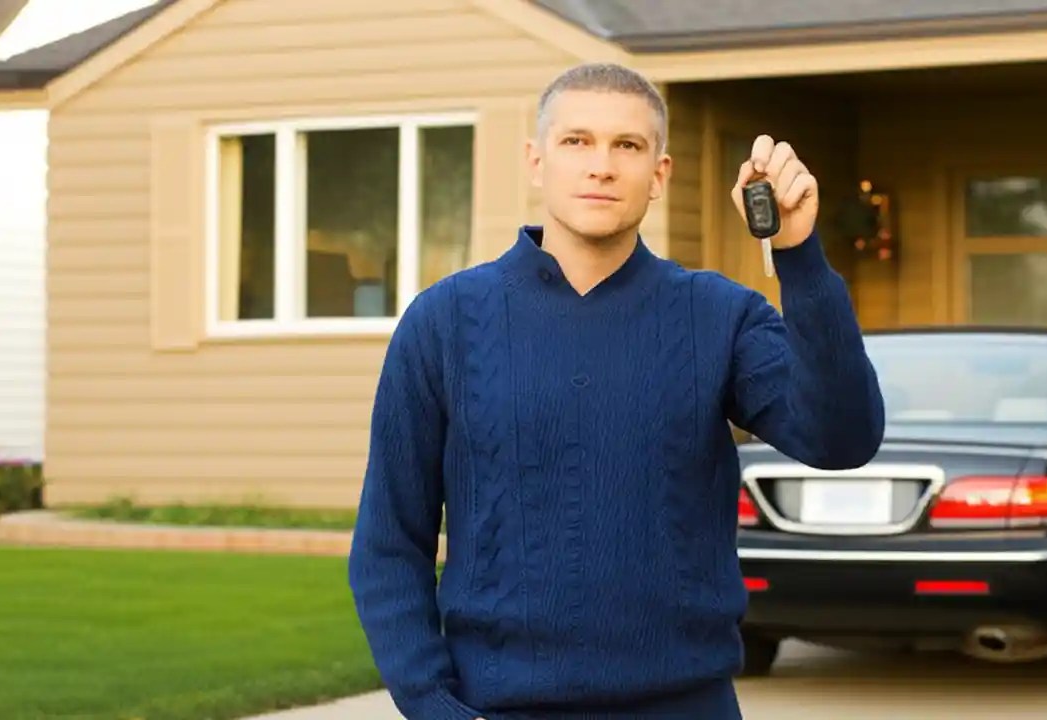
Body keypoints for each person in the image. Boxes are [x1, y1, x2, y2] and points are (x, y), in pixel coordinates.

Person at [348, 62, 885, 720]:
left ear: (659, 175)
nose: (601, 166)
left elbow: (841, 440)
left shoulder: (719, 316)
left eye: (626, 145)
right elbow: (388, 544)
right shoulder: (444, 322)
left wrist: (799, 255)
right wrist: (434, 706)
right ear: (537, 161)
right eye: (577, 141)